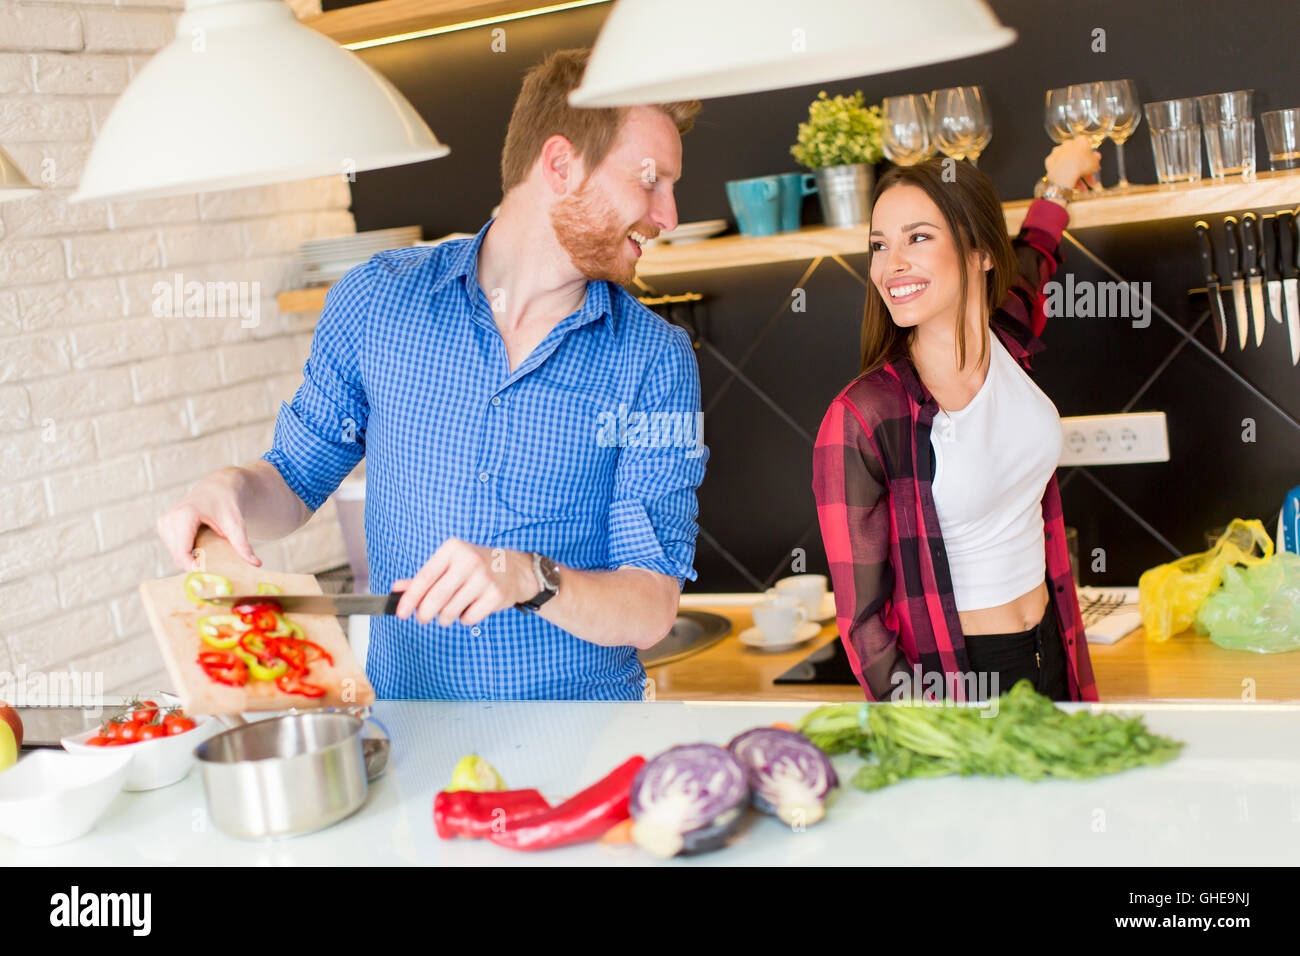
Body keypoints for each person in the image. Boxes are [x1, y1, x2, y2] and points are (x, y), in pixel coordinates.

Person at [156, 48, 709, 701]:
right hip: (410, 741)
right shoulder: (377, 302)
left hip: (582, 744)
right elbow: (293, 482)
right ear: (560, 164)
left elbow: (650, 607)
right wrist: (230, 490)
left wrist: (528, 574)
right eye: (650, 181)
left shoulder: (655, 358)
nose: (669, 215)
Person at [811, 139, 1102, 703]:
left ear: (980, 254)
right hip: (962, 675)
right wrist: (929, 728)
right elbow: (863, 626)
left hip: (1053, 643)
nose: (892, 264)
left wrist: (1059, 180)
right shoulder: (865, 417)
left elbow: (1036, 249)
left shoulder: (1006, 338)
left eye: (917, 237)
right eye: (879, 244)